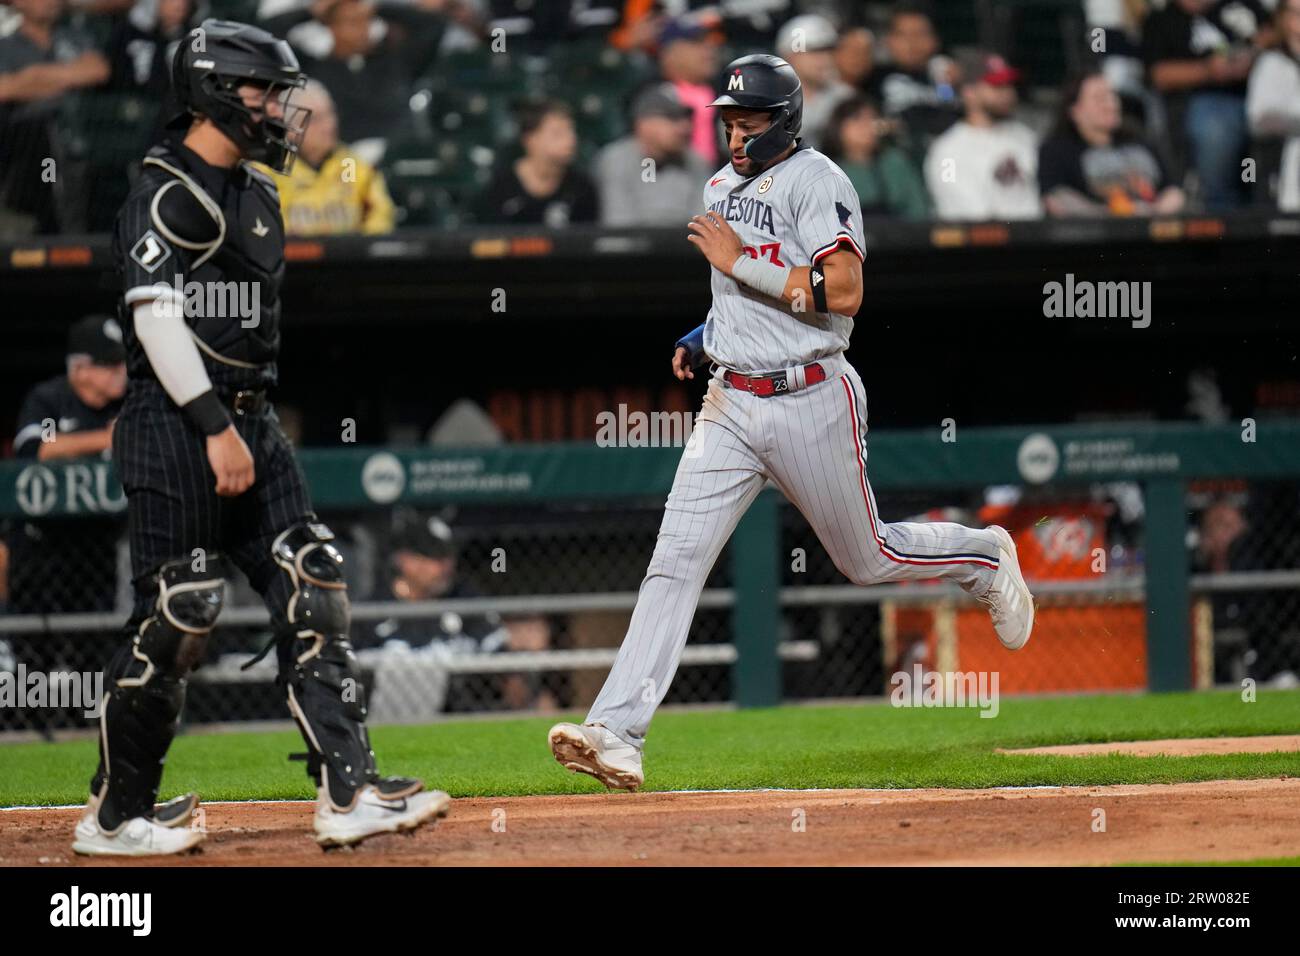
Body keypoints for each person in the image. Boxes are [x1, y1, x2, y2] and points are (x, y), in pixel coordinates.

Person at [547, 54, 1034, 791]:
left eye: (751, 122)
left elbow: (844, 292)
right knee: (674, 561)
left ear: (786, 121)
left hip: (811, 394)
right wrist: (704, 336)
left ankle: (985, 557)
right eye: (730, 121)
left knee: (868, 559)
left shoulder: (821, 181)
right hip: (732, 403)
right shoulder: (717, 185)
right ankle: (616, 732)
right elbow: (734, 296)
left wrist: (741, 264)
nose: (736, 134)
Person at [72, 19, 449, 858]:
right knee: (178, 613)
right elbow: (153, 313)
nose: (281, 109)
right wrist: (213, 427)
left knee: (312, 580)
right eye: (265, 93)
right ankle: (116, 816)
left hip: (250, 417)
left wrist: (243, 424)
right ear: (216, 92)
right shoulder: (167, 190)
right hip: (176, 426)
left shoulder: (255, 188)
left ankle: (348, 792)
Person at [361, 512, 554, 713]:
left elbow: (502, 660)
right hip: (382, 718)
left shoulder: (463, 598)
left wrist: (528, 681)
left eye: (448, 556)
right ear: (406, 561)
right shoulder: (374, 610)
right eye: (435, 557)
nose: (446, 566)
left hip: (457, 715)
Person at [1142, 0, 1275, 210]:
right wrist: (1208, 71)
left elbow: (1277, 29)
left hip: (1265, 90)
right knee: (1215, 128)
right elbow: (1158, 75)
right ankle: (1221, 212)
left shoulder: (1243, 5)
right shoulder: (1162, 19)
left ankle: (1273, 207)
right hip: (1205, 98)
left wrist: (1255, 49)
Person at [0, 0, 110, 235]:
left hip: (79, 138)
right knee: (46, 151)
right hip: (30, 150)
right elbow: (5, 89)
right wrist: (69, 77)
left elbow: (98, 70)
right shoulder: (7, 46)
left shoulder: (74, 37)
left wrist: (35, 76)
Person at [1039, 68, 1185, 217]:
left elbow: (1174, 190)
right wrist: (1112, 216)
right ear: (1075, 111)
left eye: (1112, 96)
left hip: (1152, 231)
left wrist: (1154, 213)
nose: (1111, 104)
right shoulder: (1057, 149)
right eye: (1099, 98)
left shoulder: (1140, 140)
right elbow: (1055, 200)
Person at [924, 50, 1041, 221]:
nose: (1008, 93)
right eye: (997, 86)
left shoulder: (1025, 136)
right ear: (968, 92)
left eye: (1009, 85)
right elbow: (970, 220)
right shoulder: (946, 153)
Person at [267, 79, 395, 234]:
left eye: (330, 114)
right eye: (316, 119)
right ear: (290, 129)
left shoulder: (355, 167)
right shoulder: (268, 174)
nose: (329, 125)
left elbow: (381, 219)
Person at [594, 82, 710, 226]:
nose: (685, 127)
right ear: (643, 124)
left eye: (686, 119)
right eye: (672, 119)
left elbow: (703, 226)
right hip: (632, 247)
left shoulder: (696, 161)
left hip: (685, 247)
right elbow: (619, 228)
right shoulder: (616, 159)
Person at [474, 99, 597, 226]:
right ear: (530, 139)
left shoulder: (581, 187)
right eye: (558, 133)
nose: (571, 140)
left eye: (571, 132)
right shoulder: (500, 187)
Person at [867, 2, 960, 161]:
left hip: (949, 160)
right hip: (898, 165)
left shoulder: (948, 75)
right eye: (902, 35)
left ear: (935, 40)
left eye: (920, 34)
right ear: (889, 41)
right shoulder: (872, 79)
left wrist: (958, 86)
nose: (912, 43)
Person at [823, 95, 929, 221]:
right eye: (857, 119)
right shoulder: (826, 172)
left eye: (872, 119)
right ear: (838, 128)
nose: (866, 126)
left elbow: (918, 211)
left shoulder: (895, 163)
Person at [1246, 0, 1300, 212]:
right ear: (1283, 19)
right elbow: (1260, 119)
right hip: (1282, 163)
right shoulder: (1273, 63)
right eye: (1295, 14)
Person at [774, 14, 853, 149]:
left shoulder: (846, 97)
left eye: (828, 51)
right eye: (815, 51)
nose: (825, 59)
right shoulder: (764, 98)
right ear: (790, 55)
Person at [655, 17, 723, 167]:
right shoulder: (654, 96)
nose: (709, 48)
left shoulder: (727, 92)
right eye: (696, 43)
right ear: (669, 53)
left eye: (709, 41)